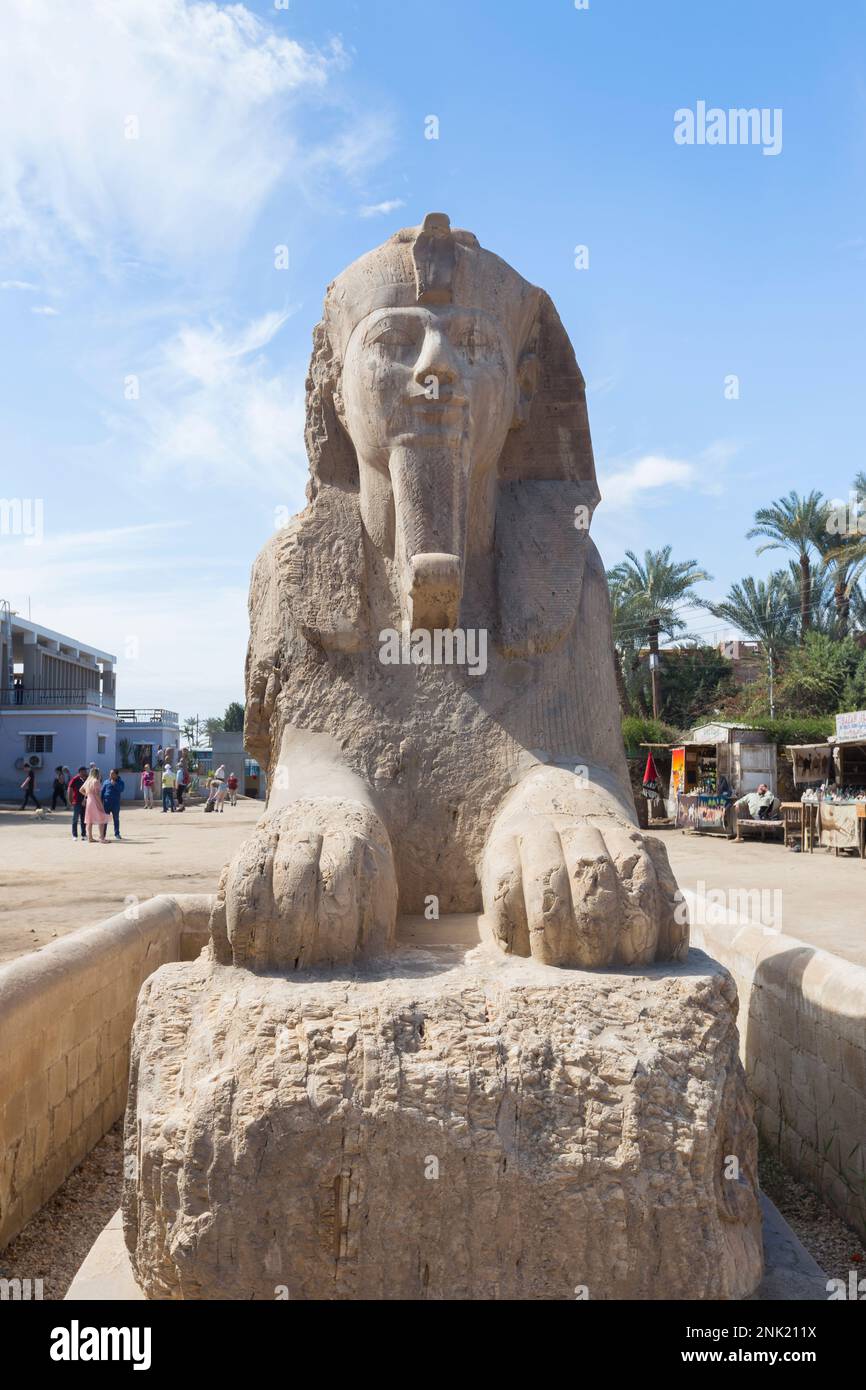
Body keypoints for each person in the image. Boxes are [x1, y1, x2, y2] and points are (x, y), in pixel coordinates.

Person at [80, 767, 110, 843]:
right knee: (102, 818)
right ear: (97, 773)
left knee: (89, 820)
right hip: (95, 800)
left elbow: (80, 790)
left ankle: (90, 837)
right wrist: (100, 804)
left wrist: (87, 794)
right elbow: (97, 794)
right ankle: (101, 838)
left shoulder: (88, 781)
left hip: (89, 800)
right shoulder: (96, 781)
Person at [101, 768, 125, 840]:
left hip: (115, 804)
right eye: (110, 773)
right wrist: (101, 802)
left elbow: (121, 789)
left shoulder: (121, 782)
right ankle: (103, 834)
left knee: (116, 819)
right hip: (106, 803)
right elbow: (102, 792)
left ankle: (117, 834)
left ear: (116, 775)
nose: (110, 775)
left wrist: (115, 785)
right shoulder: (106, 782)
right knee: (105, 819)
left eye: (112, 773)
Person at [68, 766, 88, 840]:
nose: (85, 773)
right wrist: (70, 800)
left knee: (84, 819)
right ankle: (74, 835)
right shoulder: (75, 779)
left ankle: (84, 835)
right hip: (76, 802)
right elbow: (70, 789)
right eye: (83, 772)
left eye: (85, 772)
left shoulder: (88, 779)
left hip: (85, 802)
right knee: (75, 819)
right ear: (79, 772)